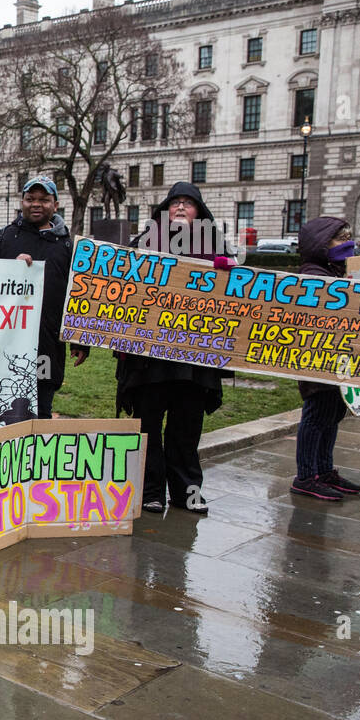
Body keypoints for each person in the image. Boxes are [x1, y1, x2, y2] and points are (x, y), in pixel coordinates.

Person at [116, 181, 236, 513]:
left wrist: (228, 272)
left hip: (194, 364)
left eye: (188, 203)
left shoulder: (217, 248)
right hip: (150, 361)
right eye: (174, 203)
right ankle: (150, 491)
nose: (180, 207)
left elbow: (237, 300)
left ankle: (187, 492)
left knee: (186, 429)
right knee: (149, 427)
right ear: (164, 211)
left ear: (200, 211)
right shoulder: (143, 244)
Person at [0, 176, 89, 418]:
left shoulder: (69, 248)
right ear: (22, 203)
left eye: (44, 200)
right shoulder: (0, 239)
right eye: (30, 199)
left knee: (41, 412)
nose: (36, 204)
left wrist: (80, 339)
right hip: (2, 345)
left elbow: (79, 295)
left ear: (56, 205)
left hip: (46, 346)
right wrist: (10, 269)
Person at [290, 216, 360, 500]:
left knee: (333, 414)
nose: (347, 244)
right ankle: (306, 476)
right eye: (340, 239)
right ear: (321, 244)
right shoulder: (313, 274)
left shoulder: (332, 270)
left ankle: (324, 469)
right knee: (317, 414)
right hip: (317, 358)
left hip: (337, 356)